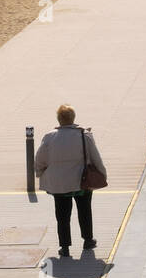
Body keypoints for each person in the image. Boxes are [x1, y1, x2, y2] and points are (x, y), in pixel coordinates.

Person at [34, 105, 107, 258]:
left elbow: (40, 159)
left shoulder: (49, 137)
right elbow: (96, 158)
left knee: (62, 215)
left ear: (59, 119)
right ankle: (88, 240)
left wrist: (40, 173)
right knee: (85, 209)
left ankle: (65, 247)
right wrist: (102, 174)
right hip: (81, 181)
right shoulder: (84, 135)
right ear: (73, 118)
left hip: (59, 184)